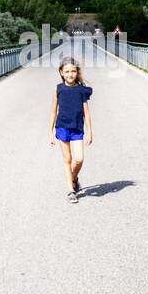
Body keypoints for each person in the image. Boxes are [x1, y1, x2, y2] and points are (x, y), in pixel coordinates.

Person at [49, 56, 93, 203]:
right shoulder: (58, 89)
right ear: (61, 72)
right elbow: (53, 111)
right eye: (67, 71)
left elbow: (86, 112)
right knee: (67, 159)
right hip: (62, 127)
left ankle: (73, 179)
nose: (70, 74)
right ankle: (70, 191)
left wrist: (90, 132)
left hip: (77, 129)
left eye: (73, 71)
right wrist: (50, 133)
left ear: (77, 72)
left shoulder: (81, 90)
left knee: (79, 159)